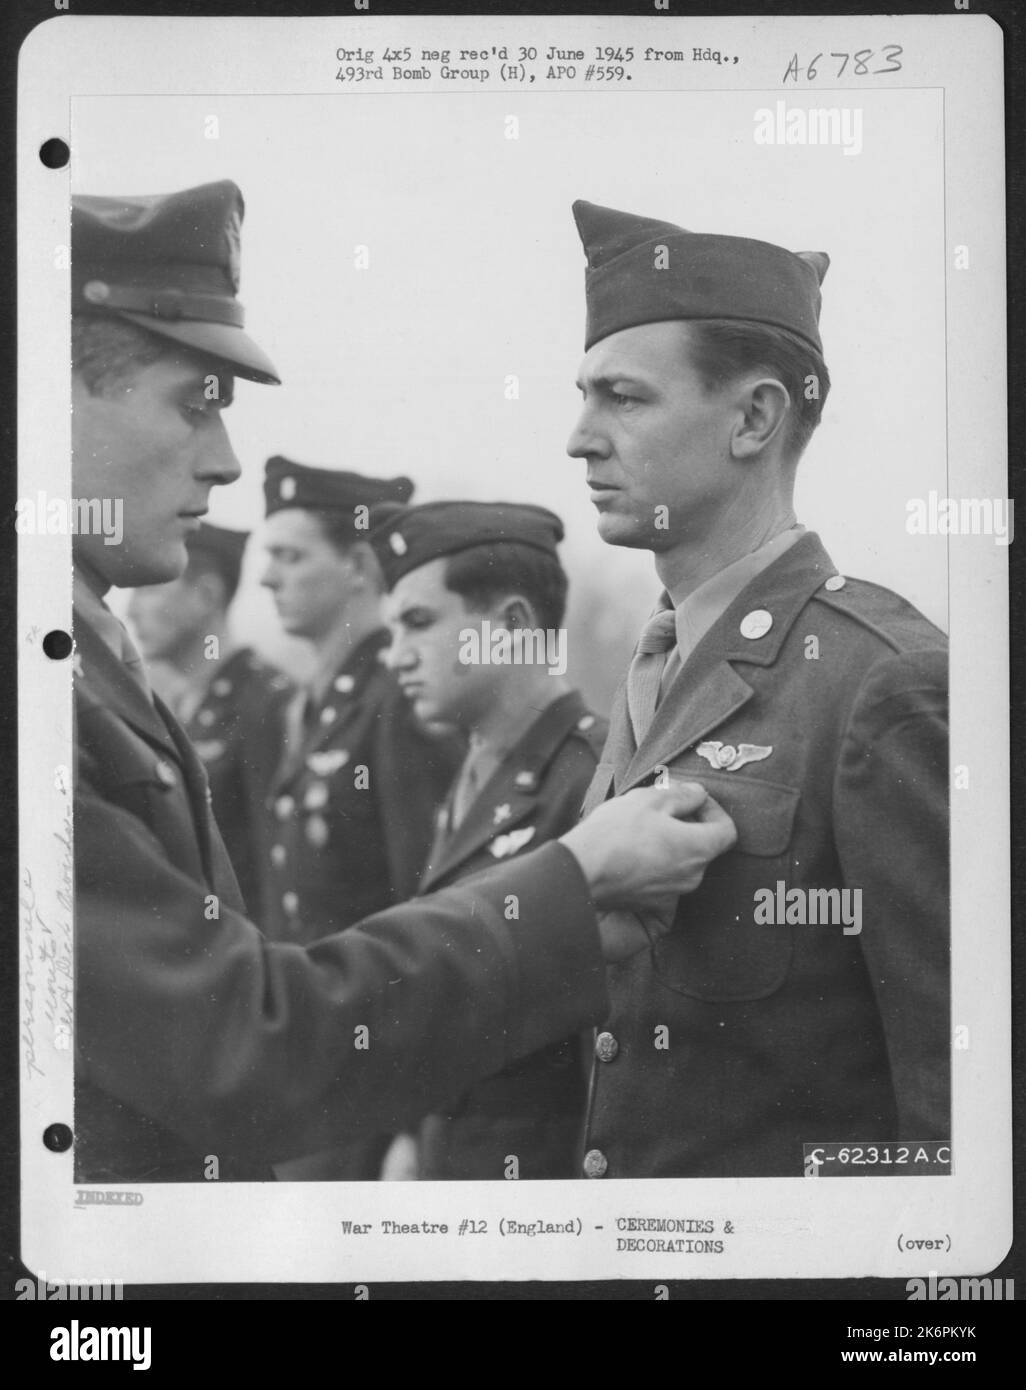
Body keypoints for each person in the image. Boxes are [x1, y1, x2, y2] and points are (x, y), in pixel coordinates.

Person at [69, 179, 737, 1183]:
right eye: (192, 407)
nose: (222, 461)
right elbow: (248, 1035)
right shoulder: (61, 687)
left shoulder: (100, 673)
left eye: (420, 622)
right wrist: (568, 883)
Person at [565, 199, 950, 1179]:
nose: (580, 438)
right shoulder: (655, 667)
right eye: (585, 396)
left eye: (624, 397)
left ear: (754, 417)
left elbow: (955, 1111)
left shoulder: (882, 681)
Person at [370, 499, 607, 1180]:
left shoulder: (590, 778)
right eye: (391, 631)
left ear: (510, 628)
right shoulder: (476, 770)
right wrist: (415, 1137)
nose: (396, 657)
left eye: (418, 623)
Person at [258, 458, 460, 944]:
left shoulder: (400, 698)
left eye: (291, 557)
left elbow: (422, 905)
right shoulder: (310, 703)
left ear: (358, 566)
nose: (267, 577)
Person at [126, 522, 292, 919]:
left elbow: (276, 863)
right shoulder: (179, 708)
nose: (131, 611)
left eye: (149, 589)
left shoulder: (264, 702)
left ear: (206, 595)